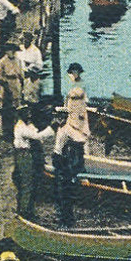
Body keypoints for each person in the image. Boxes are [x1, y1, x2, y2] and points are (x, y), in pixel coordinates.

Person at [55, 89, 89, 227]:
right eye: (58, 117)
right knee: (60, 193)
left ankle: (67, 220)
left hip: (63, 161)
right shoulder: (59, 128)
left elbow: (80, 140)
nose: (60, 119)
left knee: (65, 193)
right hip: (58, 158)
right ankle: (64, 218)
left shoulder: (68, 129)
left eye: (62, 117)